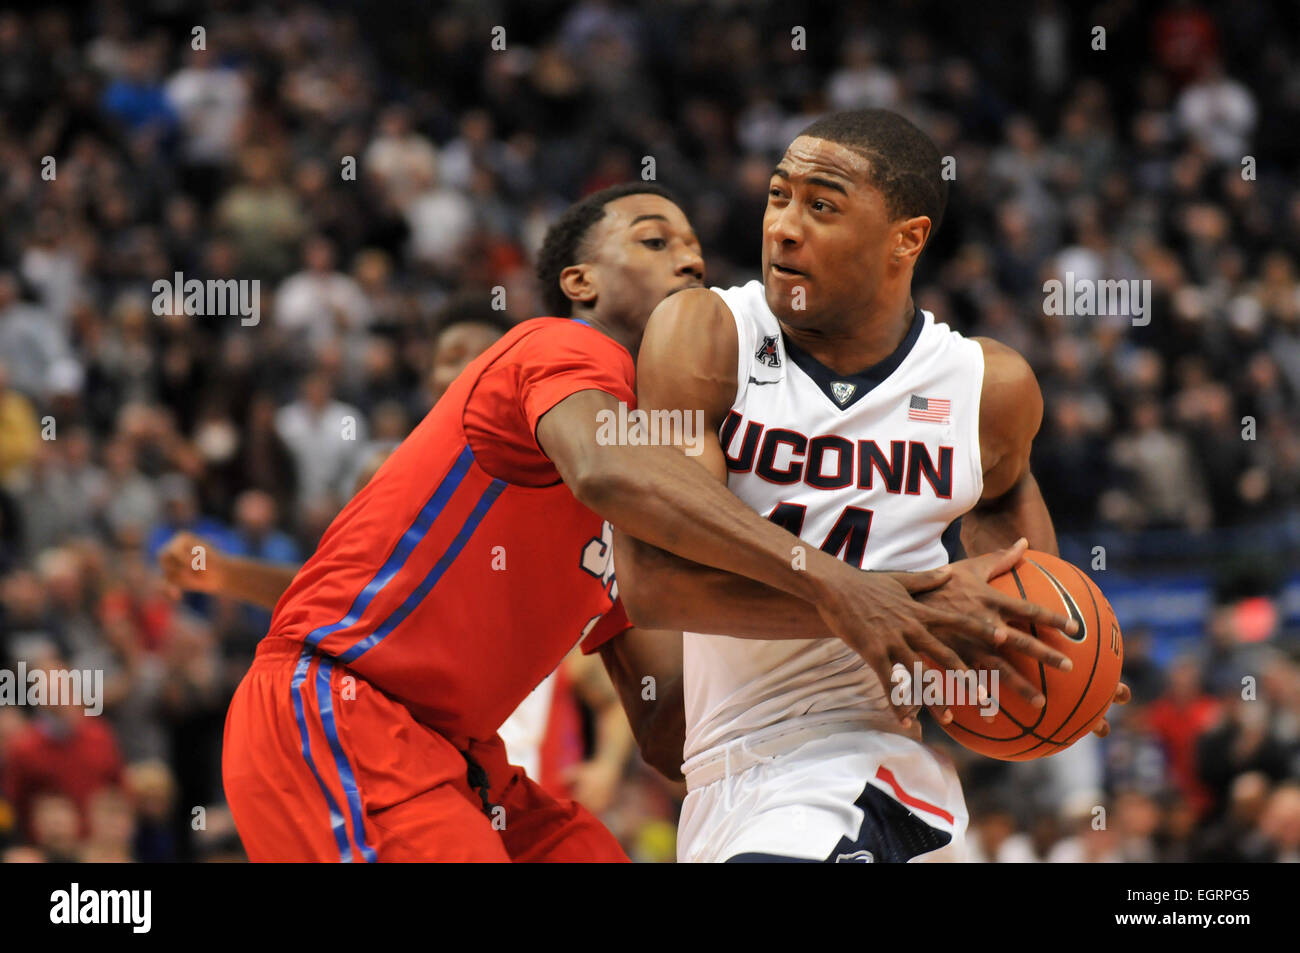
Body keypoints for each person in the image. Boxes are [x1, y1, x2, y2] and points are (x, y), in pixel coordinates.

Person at [212, 181, 1061, 862]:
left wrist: (927, 677)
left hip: (466, 760)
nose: (688, 258)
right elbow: (608, 470)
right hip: (341, 709)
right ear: (580, 283)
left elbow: (669, 726)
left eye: (694, 245)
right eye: (655, 240)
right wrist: (854, 589)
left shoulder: (679, 487)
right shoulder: (558, 351)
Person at [615, 110, 1128, 863]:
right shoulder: (706, 335)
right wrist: (874, 601)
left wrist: (1051, 665)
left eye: (821, 206)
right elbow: (656, 582)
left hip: (868, 773)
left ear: (907, 239)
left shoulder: (987, 387)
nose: (785, 227)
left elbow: (1014, 589)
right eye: (779, 196)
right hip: (722, 782)